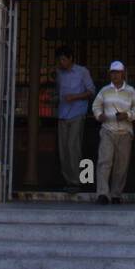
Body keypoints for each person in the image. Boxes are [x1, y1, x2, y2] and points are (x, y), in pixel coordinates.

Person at [92, 60, 135, 205]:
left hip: (125, 132)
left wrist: (128, 115)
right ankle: (102, 194)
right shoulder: (104, 90)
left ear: (123, 73)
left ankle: (116, 194)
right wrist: (99, 115)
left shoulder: (130, 91)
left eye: (117, 72)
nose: (115, 76)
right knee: (104, 162)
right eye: (112, 73)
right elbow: (96, 105)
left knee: (122, 165)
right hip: (108, 130)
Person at [55, 47, 95, 191]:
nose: (61, 62)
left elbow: (91, 91)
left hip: (77, 113)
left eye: (64, 59)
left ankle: (77, 181)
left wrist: (75, 97)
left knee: (73, 146)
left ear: (71, 58)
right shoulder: (59, 73)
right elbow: (58, 90)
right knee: (63, 148)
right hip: (62, 114)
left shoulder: (82, 71)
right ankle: (68, 180)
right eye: (60, 60)